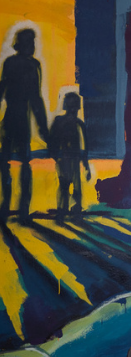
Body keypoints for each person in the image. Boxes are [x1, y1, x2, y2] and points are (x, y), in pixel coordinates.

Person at [0, 28, 49, 216]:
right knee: (22, 162)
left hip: (13, 118)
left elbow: (3, 89)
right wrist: (43, 127)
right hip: (20, 119)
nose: (34, 47)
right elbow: (36, 99)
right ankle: (22, 208)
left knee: (8, 162)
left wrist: (43, 127)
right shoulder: (31, 65)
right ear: (24, 44)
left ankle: (9, 205)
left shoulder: (11, 63)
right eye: (31, 43)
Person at [48, 92, 91, 216]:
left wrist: (56, 156)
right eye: (73, 107)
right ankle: (69, 208)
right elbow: (85, 146)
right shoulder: (77, 123)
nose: (74, 110)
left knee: (66, 185)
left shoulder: (63, 122)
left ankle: (65, 208)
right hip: (68, 158)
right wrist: (86, 165)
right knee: (70, 185)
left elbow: (51, 141)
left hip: (67, 158)